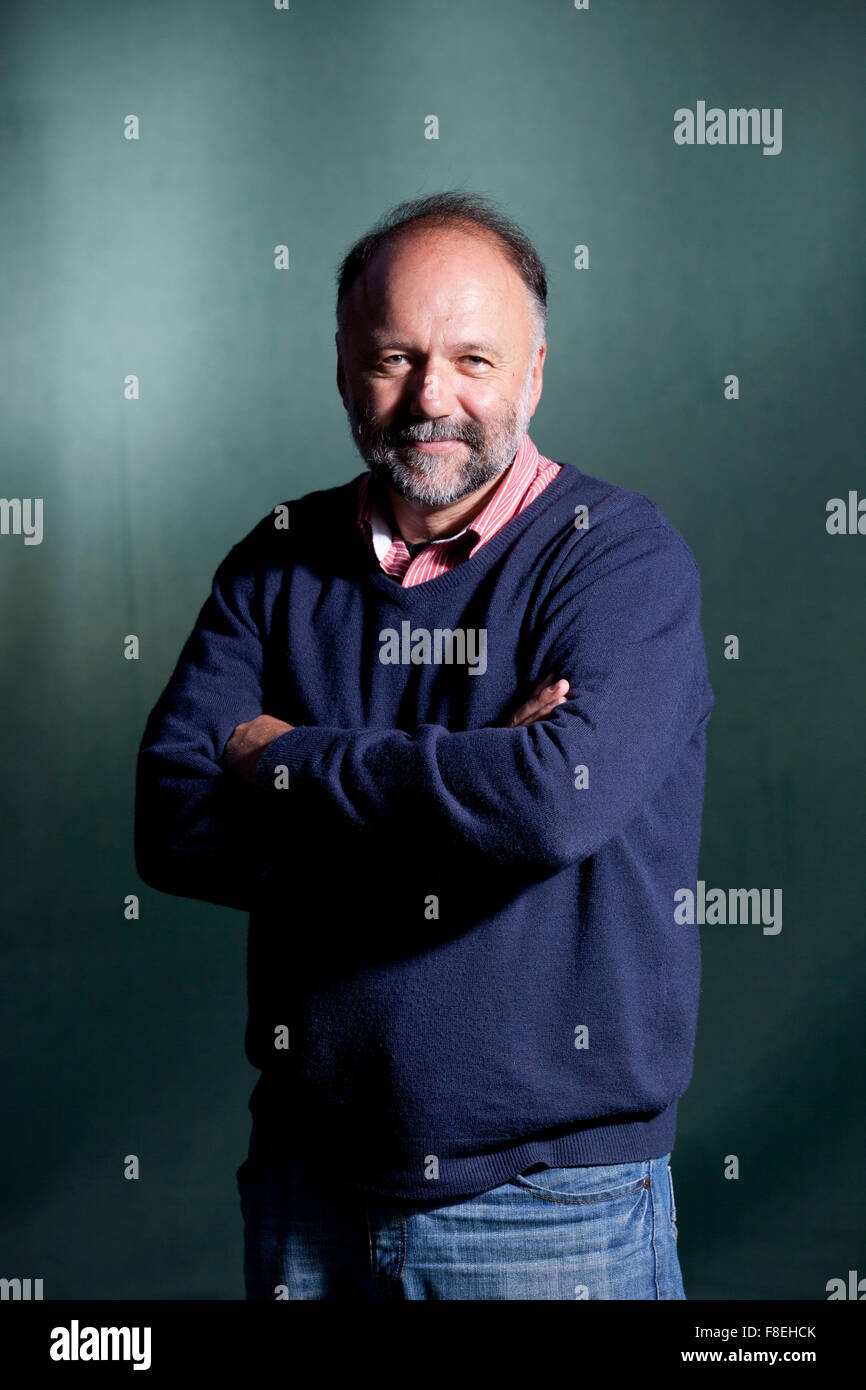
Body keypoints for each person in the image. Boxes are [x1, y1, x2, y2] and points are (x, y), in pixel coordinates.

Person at [134, 190, 714, 1300]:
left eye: (472, 361)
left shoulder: (619, 560)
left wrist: (285, 760)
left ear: (533, 373)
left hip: (546, 1202)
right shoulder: (278, 556)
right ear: (345, 367)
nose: (429, 399)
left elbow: (550, 804)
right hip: (308, 1177)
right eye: (394, 357)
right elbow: (170, 822)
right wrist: (465, 791)